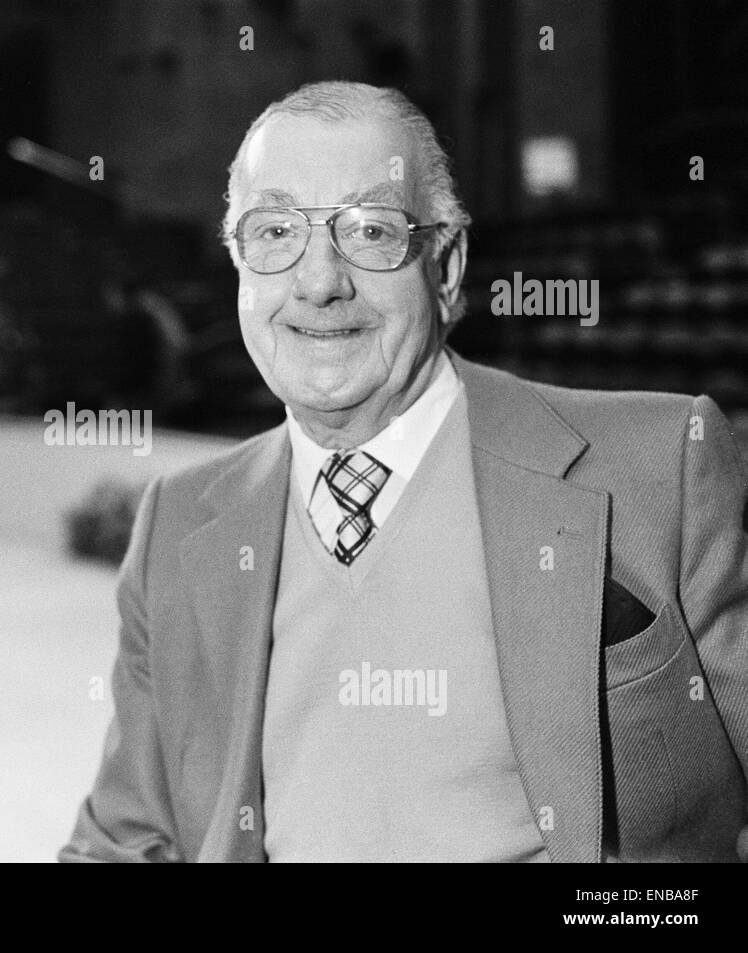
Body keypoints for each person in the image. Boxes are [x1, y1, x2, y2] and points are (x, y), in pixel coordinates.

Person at [60, 81, 748, 862]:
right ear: (240, 272)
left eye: (371, 230)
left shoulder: (660, 464)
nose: (319, 282)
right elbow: (122, 839)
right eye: (276, 230)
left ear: (447, 267)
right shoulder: (177, 524)